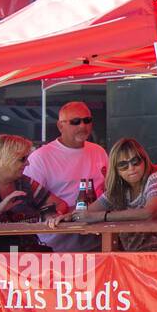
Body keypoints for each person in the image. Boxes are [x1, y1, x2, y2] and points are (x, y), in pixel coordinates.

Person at [26, 101, 108, 252]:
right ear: (60, 126)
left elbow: (109, 190)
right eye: (75, 122)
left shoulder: (98, 151)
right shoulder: (40, 157)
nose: (82, 126)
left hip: (98, 240)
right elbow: (29, 201)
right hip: (57, 245)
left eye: (87, 120)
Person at [79, 139, 157, 251]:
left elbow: (150, 213)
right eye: (123, 165)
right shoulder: (118, 190)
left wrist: (103, 216)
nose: (131, 168)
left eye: (135, 161)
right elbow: (88, 212)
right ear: (116, 170)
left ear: (144, 160)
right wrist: (68, 217)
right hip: (139, 258)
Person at [0, 135, 68, 251]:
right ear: (2, 158)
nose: (27, 163)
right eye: (22, 159)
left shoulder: (24, 182)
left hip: (23, 252)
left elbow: (60, 204)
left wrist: (50, 215)